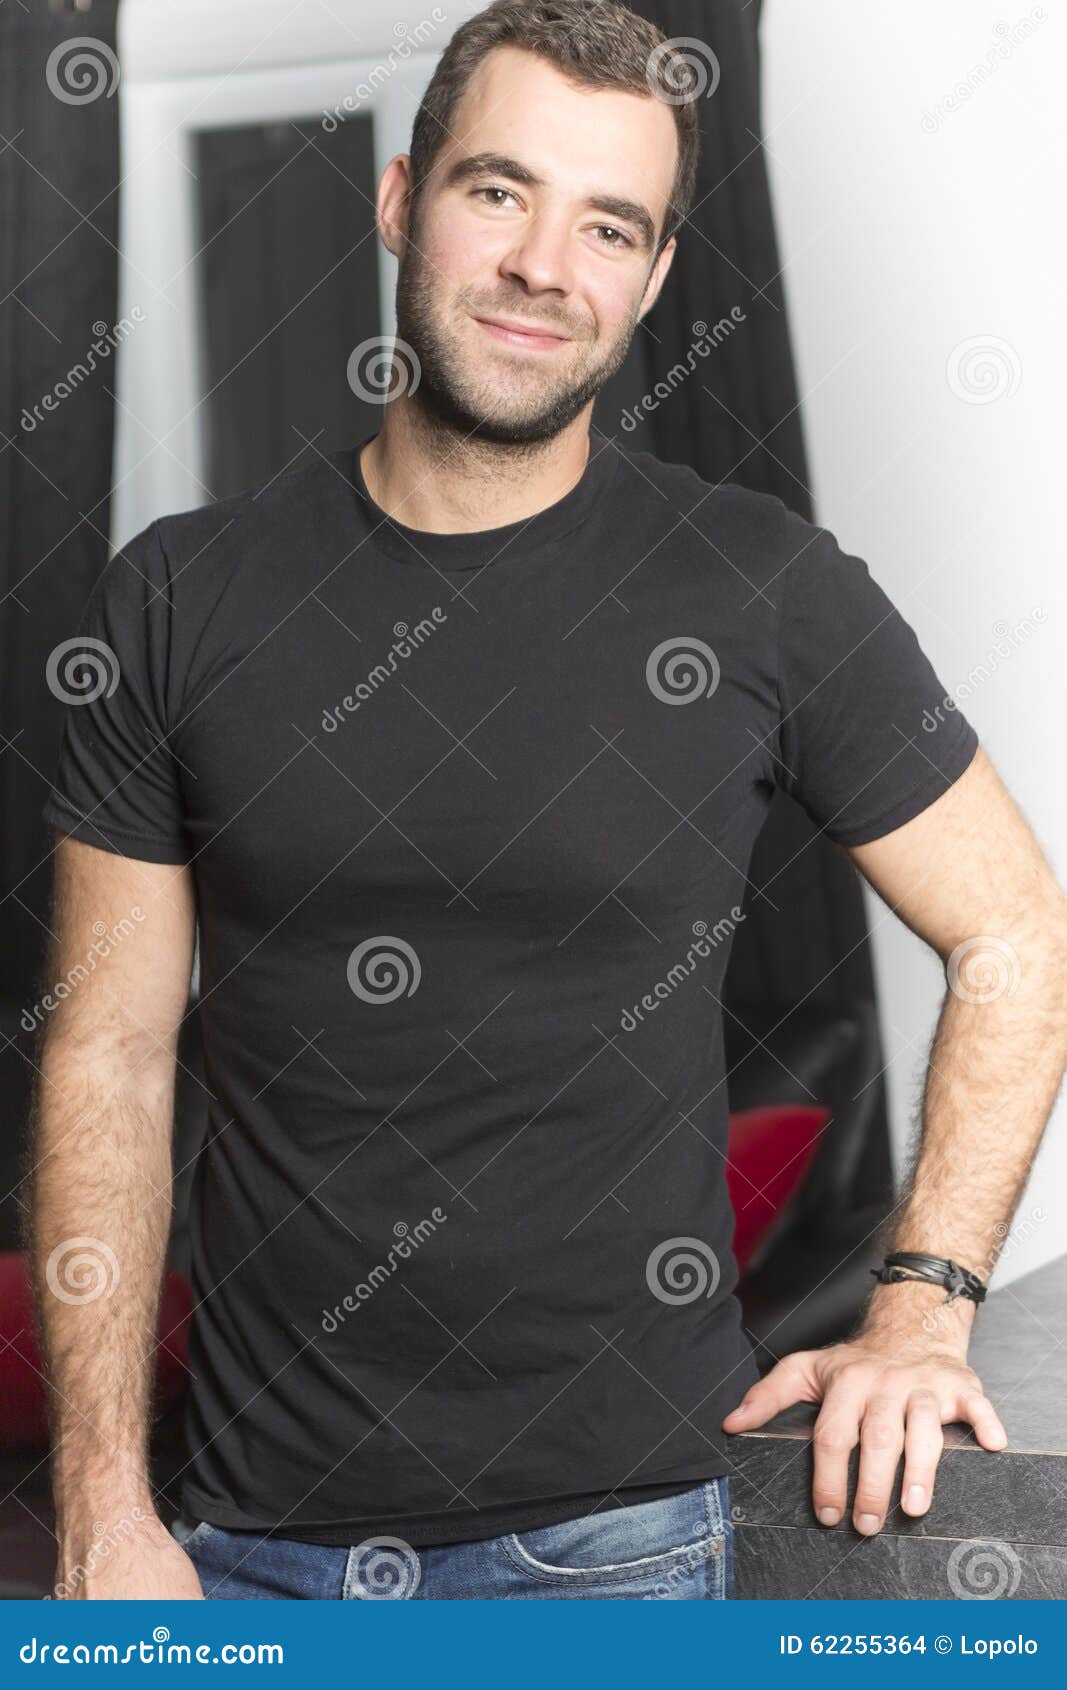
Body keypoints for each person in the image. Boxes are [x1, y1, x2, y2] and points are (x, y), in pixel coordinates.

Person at [29, 0, 1067, 1601]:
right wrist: (104, 1497)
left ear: (653, 281)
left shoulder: (761, 588)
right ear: (400, 201)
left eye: (609, 226)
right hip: (239, 1542)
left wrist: (921, 1303)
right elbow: (108, 1044)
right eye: (498, 191)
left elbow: (1016, 929)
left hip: (628, 1537)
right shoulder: (178, 599)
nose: (541, 266)